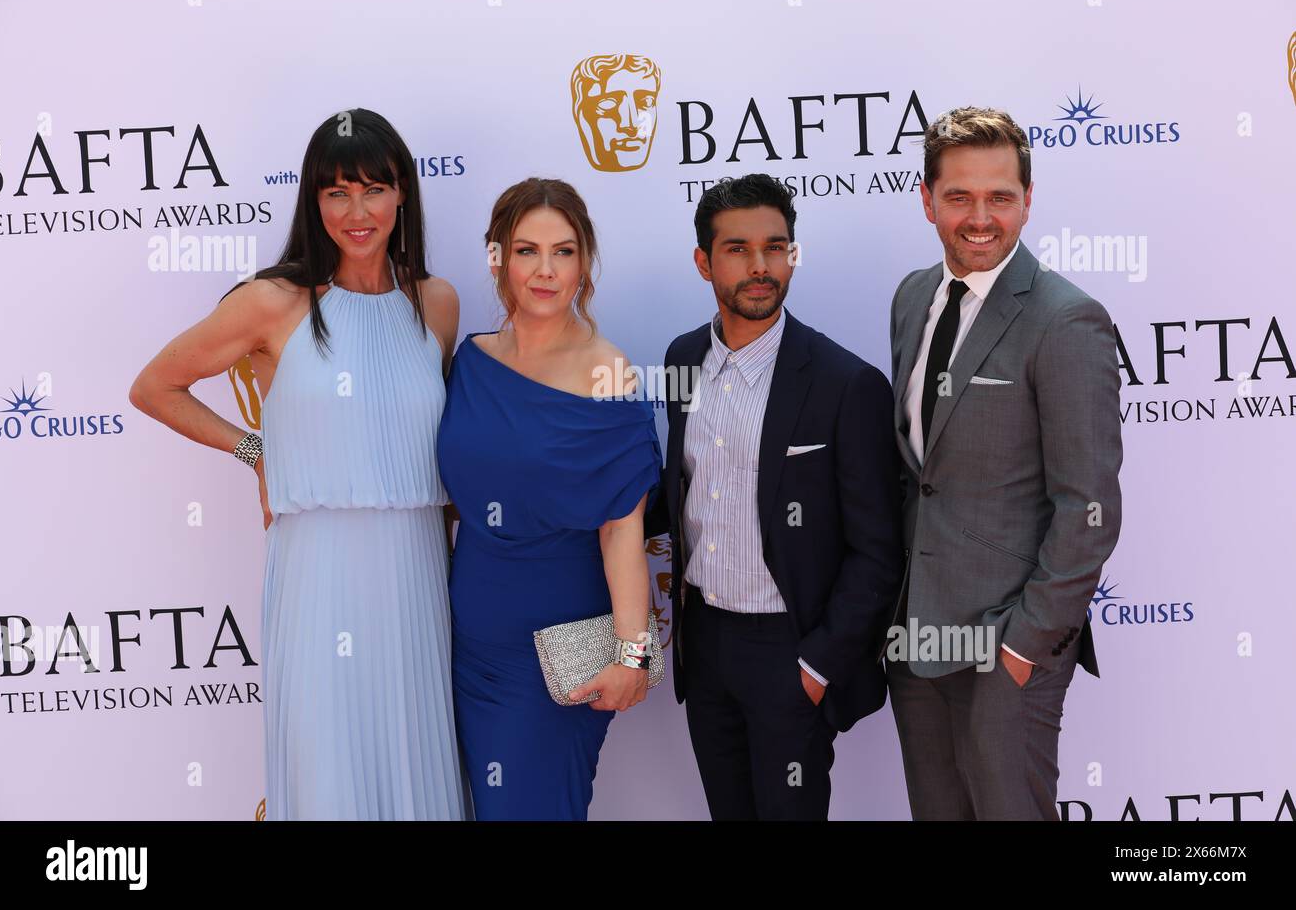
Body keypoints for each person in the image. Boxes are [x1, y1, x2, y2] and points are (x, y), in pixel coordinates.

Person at [129, 108, 465, 820]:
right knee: (328, 769)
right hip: (317, 572)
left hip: (415, 567)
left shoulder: (435, 304)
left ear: (402, 192)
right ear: (313, 202)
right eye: (336, 192)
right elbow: (155, 387)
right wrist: (255, 450)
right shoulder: (271, 303)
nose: (357, 211)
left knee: (416, 759)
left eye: (374, 188)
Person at [886, 106, 1123, 820]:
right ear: (927, 200)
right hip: (917, 639)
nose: (979, 217)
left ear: (1027, 200)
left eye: (1000, 197)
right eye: (959, 196)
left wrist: (1023, 647)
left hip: (1007, 646)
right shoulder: (910, 297)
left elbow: (1089, 509)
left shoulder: (1066, 319)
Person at [643, 173, 903, 820]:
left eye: (775, 247)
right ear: (704, 261)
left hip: (791, 650)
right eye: (737, 249)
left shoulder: (846, 384)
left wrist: (816, 665)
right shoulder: (681, 360)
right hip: (705, 648)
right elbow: (681, 491)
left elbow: (878, 550)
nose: (760, 267)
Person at [438, 177, 661, 820]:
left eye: (563, 251)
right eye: (526, 250)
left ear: (584, 262)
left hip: (554, 652)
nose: (544, 270)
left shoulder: (606, 372)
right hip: (462, 640)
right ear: (498, 258)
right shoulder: (472, 361)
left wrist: (633, 656)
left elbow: (623, 531)